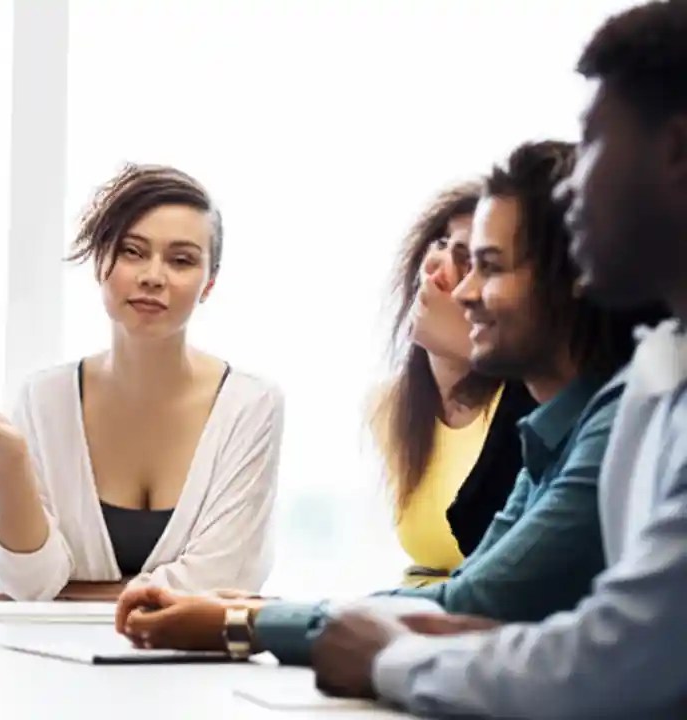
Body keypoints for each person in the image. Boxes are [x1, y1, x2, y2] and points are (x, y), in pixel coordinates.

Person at [114, 140, 665, 663]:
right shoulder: (550, 436)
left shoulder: (614, 427)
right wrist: (253, 612)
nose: (466, 290)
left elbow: (473, 606)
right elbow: (466, 590)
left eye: (489, 267)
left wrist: (243, 624)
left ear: (576, 273)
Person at [311, 3, 687, 717]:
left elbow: (621, 658)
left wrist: (390, 656)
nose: (571, 192)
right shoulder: (656, 378)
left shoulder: (625, 400)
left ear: (675, 151)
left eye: (596, 141)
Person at [0, 164, 284, 602]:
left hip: (198, 667)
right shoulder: (44, 400)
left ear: (208, 283)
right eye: (133, 251)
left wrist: (68, 595)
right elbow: (28, 583)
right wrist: (10, 456)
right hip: (53, 664)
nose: (153, 276)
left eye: (181, 260)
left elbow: (220, 580)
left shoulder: (251, 404)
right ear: (101, 262)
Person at [372, 181, 536, 587]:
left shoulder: (530, 404)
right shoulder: (388, 407)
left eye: (469, 259)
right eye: (441, 242)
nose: (437, 267)